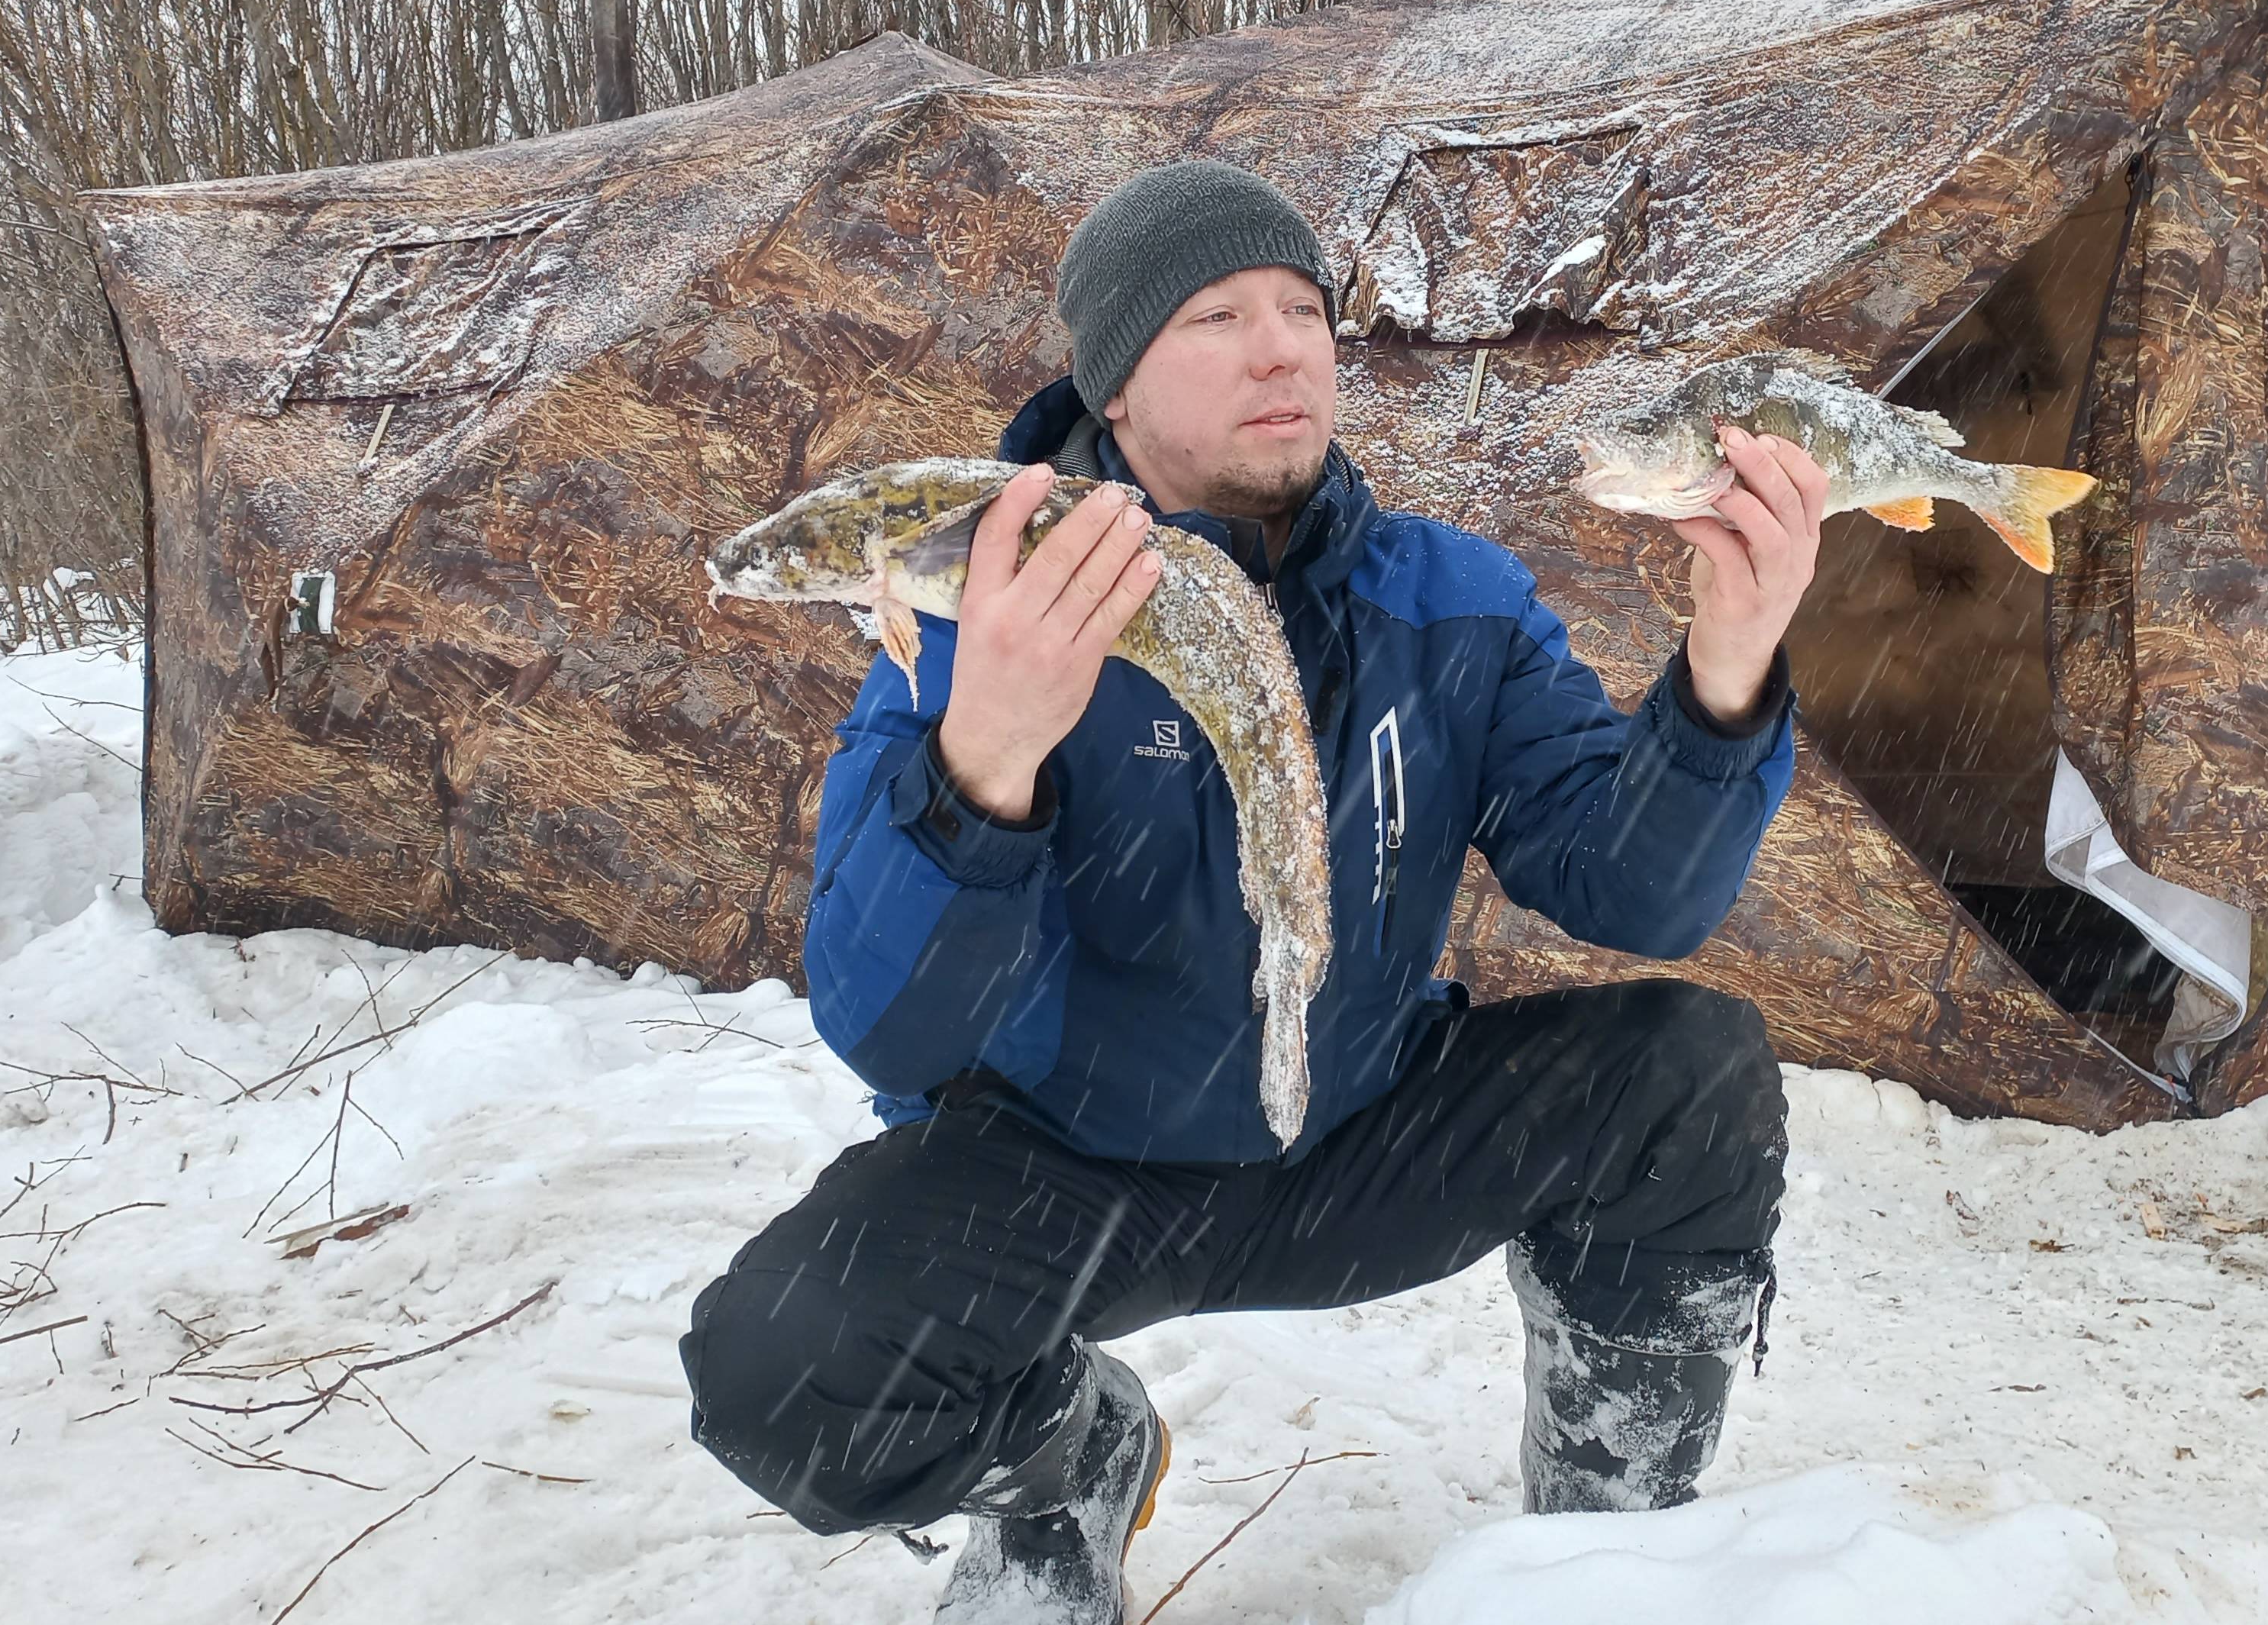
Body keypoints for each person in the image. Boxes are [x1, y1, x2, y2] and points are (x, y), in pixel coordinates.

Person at [680, 159, 1828, 1622]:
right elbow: (885, 1029)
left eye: (1303, 307)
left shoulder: (1447, 602)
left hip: (1359, 1129)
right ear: (1114, 386)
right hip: (1072, 1172)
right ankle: (1065, 1460)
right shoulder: (981, 609)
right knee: (781, 1362)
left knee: (1692, 1073)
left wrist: (1728, 670)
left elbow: (1631, 887)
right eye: (1214, 315)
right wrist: (987, 760)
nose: (1283, 345)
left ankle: (1598, 1557)